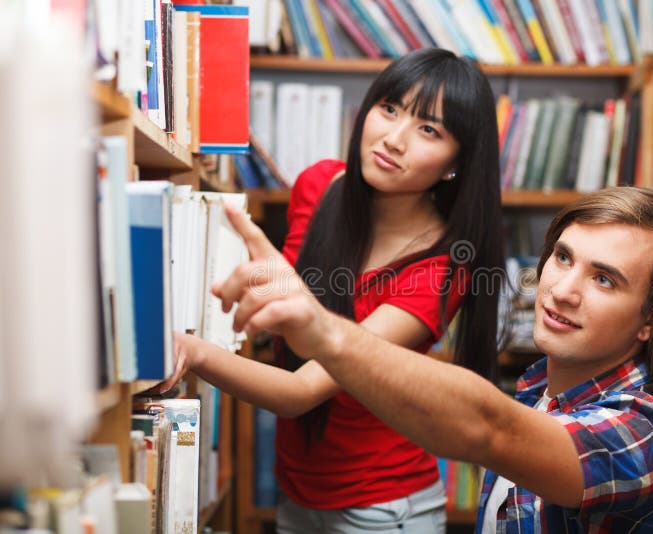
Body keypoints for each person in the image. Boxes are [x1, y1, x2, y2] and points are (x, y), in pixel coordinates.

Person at [209, 186, 653, 533]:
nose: (563, 290)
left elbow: (490, 427)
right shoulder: (542, 388)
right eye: (563, 257)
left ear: (652, 320)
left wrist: (321, 330)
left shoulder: (648, 430)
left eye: (604, 279)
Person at [162, 48, 505, 533]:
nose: (394, 138)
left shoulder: (442, 269)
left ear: (456, 163)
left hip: (385, 511)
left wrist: (190, 350)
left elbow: (301, 392)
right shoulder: (319, 186)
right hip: (297, 493)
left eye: (429, 129)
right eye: (389, 108)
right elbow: (285, 309)